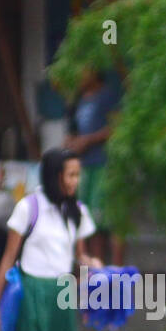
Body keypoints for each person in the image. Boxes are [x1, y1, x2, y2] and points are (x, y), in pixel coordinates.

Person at [0, 149, 101, 331]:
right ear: (55, 176)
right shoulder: (28, 208)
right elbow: (8, 258)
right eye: (70, 175)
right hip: (30, 292)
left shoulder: (78, 211)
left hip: (62, 293)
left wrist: (93, 266)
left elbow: (79, 257)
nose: (75, 181)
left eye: (77, 175)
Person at [62, 67, 122, 265]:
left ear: (94, 72)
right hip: (84, 166)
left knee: (103, 220)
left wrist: (89, 140)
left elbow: (117, 126)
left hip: (103, 164)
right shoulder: (82, 99)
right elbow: (76, 129)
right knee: (86, 219)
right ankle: (93, 268)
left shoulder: (107, 96)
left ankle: (107, 267)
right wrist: (73, 141)